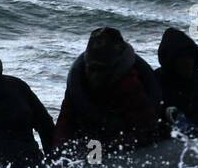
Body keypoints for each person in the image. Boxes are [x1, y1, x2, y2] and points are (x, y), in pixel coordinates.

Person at [53, 27, 164, 157]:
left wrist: (111, 147)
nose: (94, 76)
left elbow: (146, 127)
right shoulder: (77, 84)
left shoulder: (129, 83)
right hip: (90, 137)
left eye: (100, 70)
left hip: (123, 139)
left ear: (113, 68)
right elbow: (65, 123)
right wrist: (59, 153)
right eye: (91, 69)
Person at [154, 28, 198, 133]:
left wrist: (197, 130)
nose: (188, 63)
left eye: (190, 57)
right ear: (171, 62)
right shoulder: (156, 80)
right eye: (182, 59)